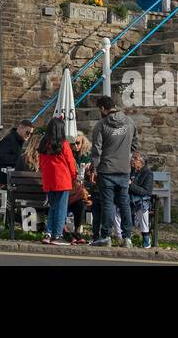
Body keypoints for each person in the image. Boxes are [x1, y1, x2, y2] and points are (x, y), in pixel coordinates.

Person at [89, 95, 136, 247]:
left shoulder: (101, 125)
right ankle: (127, 237)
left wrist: (94, 169)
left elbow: (97, 150)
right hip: (124, 169)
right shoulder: (129, 122)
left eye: (99, 109)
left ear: (103, 108)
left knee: (107, 203)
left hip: (107, 169)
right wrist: (126, 156)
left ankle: (106, 237)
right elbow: (135, 144)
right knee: (124, 203)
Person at [37, 117, 78, 246]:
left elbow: (41, 163)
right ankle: (57, 235)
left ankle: (48, 233)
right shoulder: (63, 143)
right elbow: (71, 162)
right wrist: (74, 176)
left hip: (48, 180)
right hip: (62, 179)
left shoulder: (43, 144)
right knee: (60, 209)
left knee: (53, 207)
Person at [129, 149, 154, 249]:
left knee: (142, 208)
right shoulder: (130, 171)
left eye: (135, 158)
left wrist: (130, 185)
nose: (132, 160)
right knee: (117, 207)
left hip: (142, 199)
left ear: (142, 161)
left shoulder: (148, 173)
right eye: (132, 158)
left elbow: (146, 191)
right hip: (128, 199)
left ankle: (146, 236)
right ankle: (123, 236)